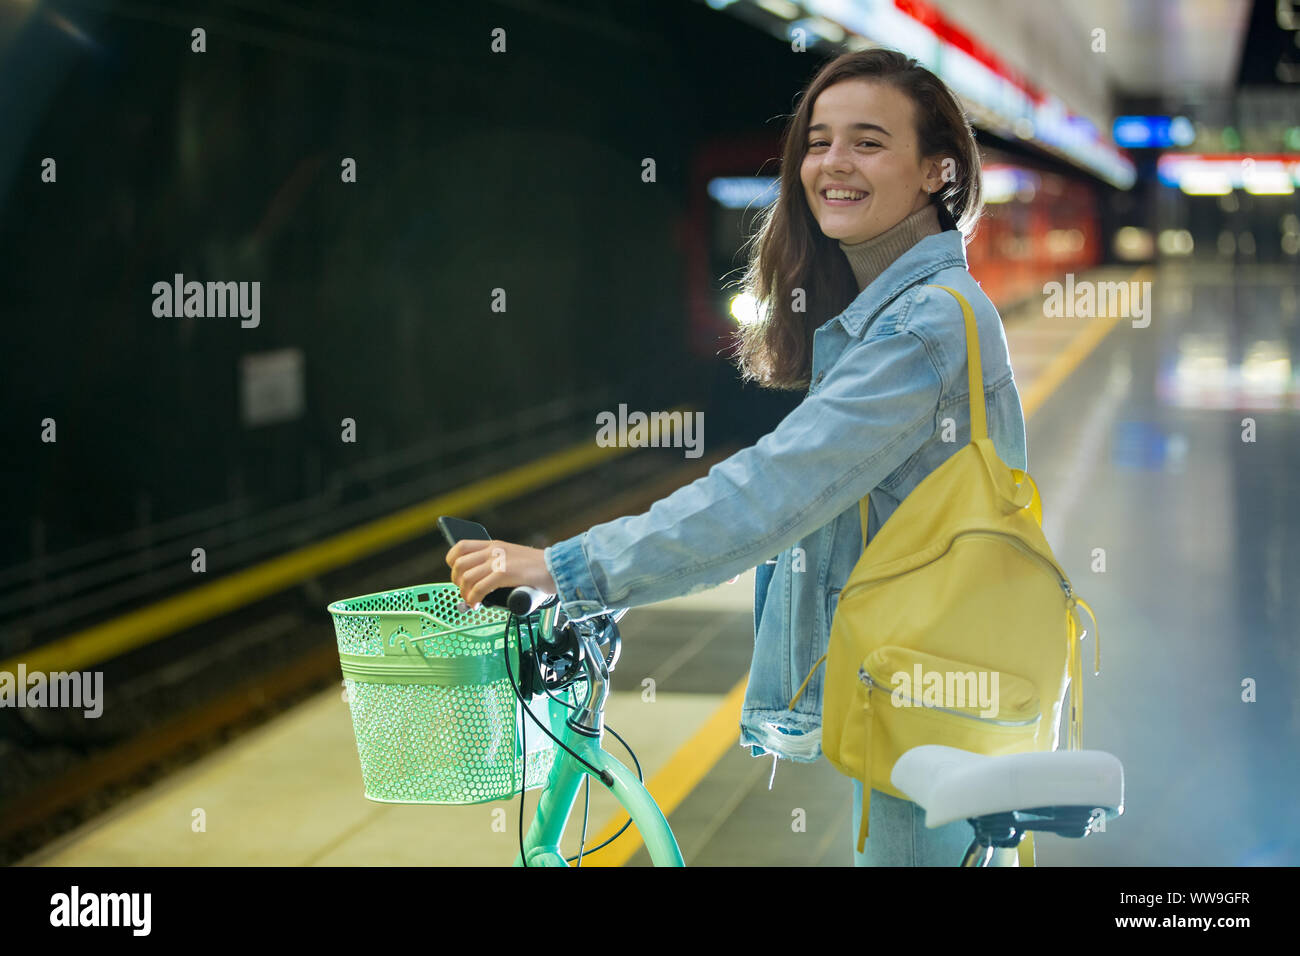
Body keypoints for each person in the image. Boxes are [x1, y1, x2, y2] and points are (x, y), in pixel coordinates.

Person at [447, 48, 1026, 867]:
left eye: (868, 141)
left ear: (938, 170)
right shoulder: (900, 314)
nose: (832, 164)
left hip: (930, 706)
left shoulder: (918, 330)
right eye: (818, 142)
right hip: (925, 693)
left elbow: (773, 492)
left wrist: (567, 570)